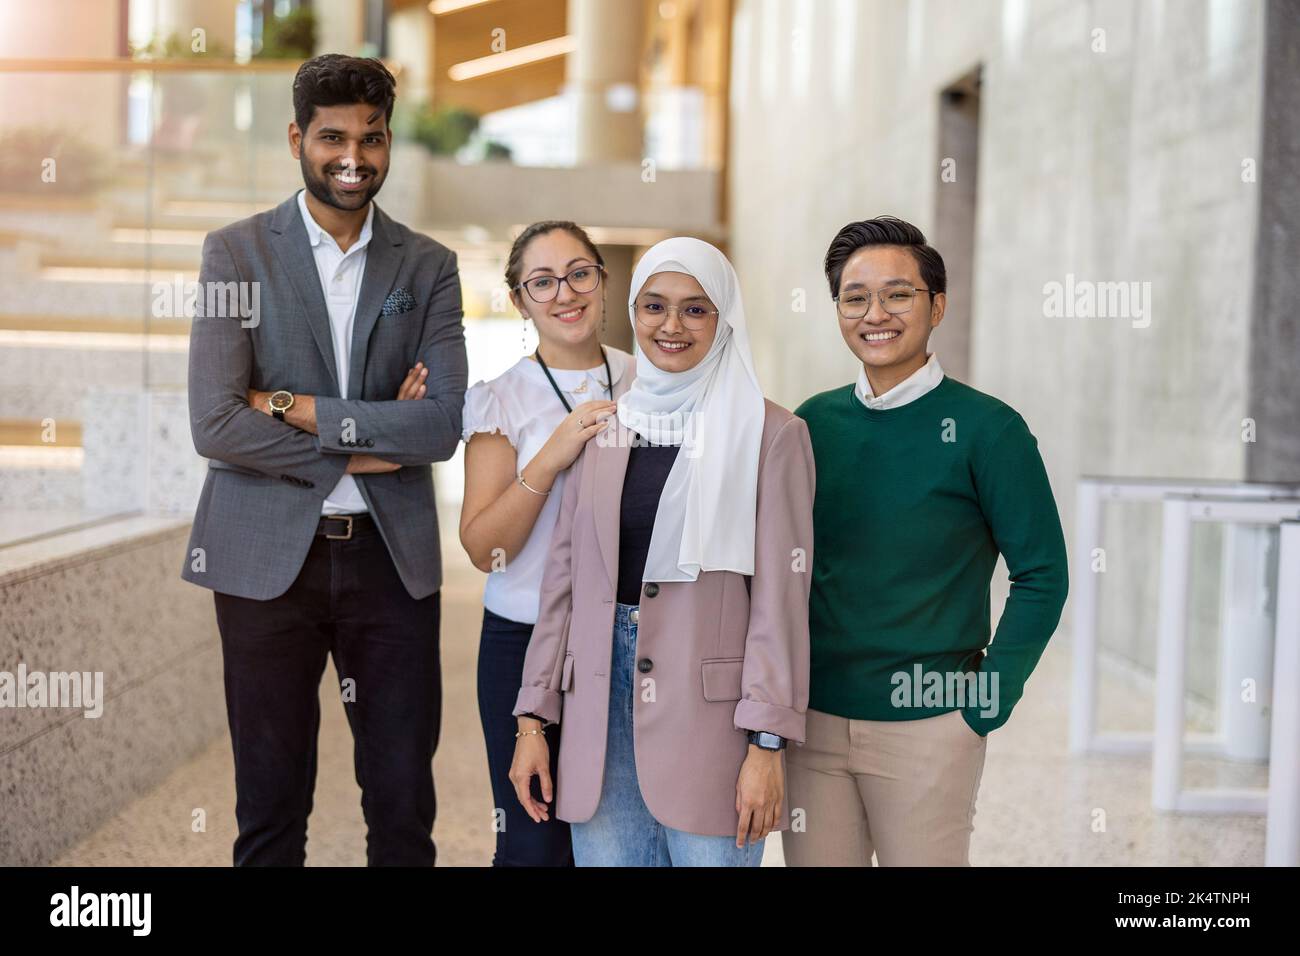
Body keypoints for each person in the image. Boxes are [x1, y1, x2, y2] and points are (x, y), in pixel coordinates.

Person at [182, 54, 467, 866]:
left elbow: (441, 427)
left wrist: (285, 404)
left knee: (404, 805)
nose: (354, 157)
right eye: (333, 137)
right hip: (265, 560)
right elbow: (213, 421)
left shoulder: (428, 266)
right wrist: (364, 446)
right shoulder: (236, 254)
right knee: (270, 807)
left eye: (372, 139)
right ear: (296, 137)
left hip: (391, 561)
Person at [508, 237, 815, 867]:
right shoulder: (605, 428)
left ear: (724, 319)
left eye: (695, 309)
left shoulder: (772, 434)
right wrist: (532, 721)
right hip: (597, 712)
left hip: (713, 725)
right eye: (653, 306)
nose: (671, 326)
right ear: (632, 311)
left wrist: (767, 743)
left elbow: (782, 604)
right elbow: (563, 584)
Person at [785, 216, 1068, 867]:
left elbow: (1043, 575)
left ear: (936, 305)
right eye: (855, 297)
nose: (874, 313)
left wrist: (984, 702)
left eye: (898, 294)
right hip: (812, 724)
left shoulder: (988, 430)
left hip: (931, 724)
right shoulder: (811, 424)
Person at [459, 221, 636, 866]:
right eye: (542, 281)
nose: (565, 292)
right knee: (535, 843)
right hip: (523, 640)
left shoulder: (647, 380)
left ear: (602, 280)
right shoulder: (501, 400)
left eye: (579, 273)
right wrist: (552, 456)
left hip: (623, 642)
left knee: (615, 836)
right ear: (520, 300)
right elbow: (484, 548)